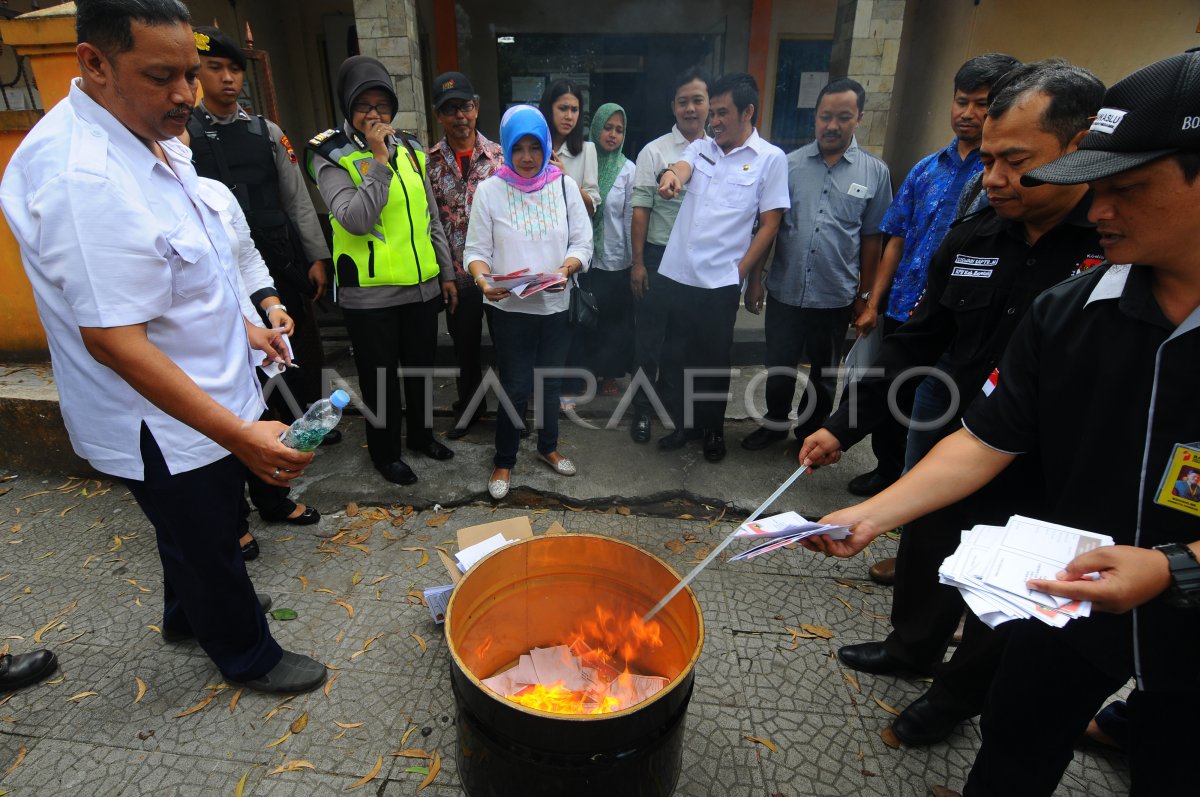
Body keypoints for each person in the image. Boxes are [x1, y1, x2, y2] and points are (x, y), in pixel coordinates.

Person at [804, 51, 1200, 797]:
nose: (1101, 206)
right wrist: (869, 512)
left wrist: (1176, 566)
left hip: (1186, 625)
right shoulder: (1073, 311)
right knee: (1014, 745)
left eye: (1129, 187)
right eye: (1098, 183)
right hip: (1067, 593)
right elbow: (987, 436)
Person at [0, 0, 325, 693]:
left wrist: (248, 329)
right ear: (94, 62)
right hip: (164, 418)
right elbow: (116, 341)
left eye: (190, 73)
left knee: (190, 528)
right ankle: (246, 653)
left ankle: (189, 613)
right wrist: (240, 433)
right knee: (207, 533)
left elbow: (190, 272)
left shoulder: (149, 131)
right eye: (162, 76)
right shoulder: (84, 177)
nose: (187, 93)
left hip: (209, 389)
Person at [800, 60, 1105, 746]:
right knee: (930, 548)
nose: (992, 178)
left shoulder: (1114, 248)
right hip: (956, 436)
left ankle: (954, 698)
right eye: (989, 160)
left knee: (1006, 594)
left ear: (1080, 145)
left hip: (1051, 467)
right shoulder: (973, 237)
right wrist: (841, 427)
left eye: (1015, 162)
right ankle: (911, 647)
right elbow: (915, 345)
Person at [847, 53, 1021, 501]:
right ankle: (888, 472)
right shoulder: (926, 169)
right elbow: (897, 238)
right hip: (908, 308)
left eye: (981, 103)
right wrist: (873, 302)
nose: (967, 113)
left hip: (965, 322)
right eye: (961, 101)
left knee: (939, 411)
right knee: (892, 398)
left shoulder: (1002, 180)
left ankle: (924, 490)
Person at [186, 26, 326, 557]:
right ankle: (236, 517)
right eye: (213, 68)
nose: (226, 78)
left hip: (270, 270)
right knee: (229, 406)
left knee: (283, 380)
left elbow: (290, 200)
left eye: (234, 68)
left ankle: (275, 491)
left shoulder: (265, 132)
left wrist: (308, 261)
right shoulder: (183, 134)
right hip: (208, 293)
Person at [306, 56, 456, 487]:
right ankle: (385, 453)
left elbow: (429, 217)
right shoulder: (330, 153)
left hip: (422, 288)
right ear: (347, 107)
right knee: (381, 380)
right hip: (370, 297)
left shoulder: (409, 147)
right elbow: (353, 218)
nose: (374, 114)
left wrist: (445, 274)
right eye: (363, 104)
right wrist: (376, 159)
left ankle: (422, 437)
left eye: (382, 104)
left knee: (420, 371)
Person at [740, 78, 891, 451]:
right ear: (815, 118)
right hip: (786, 289)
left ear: (858, 118)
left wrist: (866, 295)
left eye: (843, 117)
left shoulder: (875, 173)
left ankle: (810, 433)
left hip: (836, 294)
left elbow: (873, 239)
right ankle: (774, 425)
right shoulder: (787, 166)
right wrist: (756, 280)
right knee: (779, 367)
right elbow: (768, 227)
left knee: (824, 374)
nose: (832, 125)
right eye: (825, 116)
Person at [655, 73, 789, 462]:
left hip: (720, 281)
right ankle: (685, 425)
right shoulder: (702, 148)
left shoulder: (769, 159)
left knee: (712, 360)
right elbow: (680, 168)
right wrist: (670, 178)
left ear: (748, 111)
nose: (713, 121)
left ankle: (713, 429)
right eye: (711, 112)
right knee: (678, 357)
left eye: (722, 113)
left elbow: (771, 224)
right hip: (680, 273)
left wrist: (743, 273)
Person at [463, 105, 592, 500]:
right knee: (515, 384)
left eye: (535, 146)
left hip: (555, 305)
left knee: (550, 383)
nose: (527, 157)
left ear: (546, 146)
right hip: (509, 309)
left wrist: (566, 269)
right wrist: (483, 281)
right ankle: (505, 459)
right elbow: (475, 250)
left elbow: (583, 243)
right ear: (505, 148)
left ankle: (548, 447)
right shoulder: (490, 190)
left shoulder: (564, 186)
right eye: (517, 147)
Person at [627, 66, 711, 443]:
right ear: (673, 107)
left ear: (710, 105)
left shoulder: (718, 152)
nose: (690, 108)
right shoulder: (655, 151)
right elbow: (641, 209)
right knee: (649, 341)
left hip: (700, 262)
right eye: (683, 102)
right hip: (660, 258)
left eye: (698, 100)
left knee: (683, 342)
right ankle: (641, 412)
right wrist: (639, 263)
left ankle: (675, 411)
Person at [427, 71, 503, 439]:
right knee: (465, 349)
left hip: (499, 274)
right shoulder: (428, 163)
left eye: (466, 107)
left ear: (476, 109)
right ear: (439, 116)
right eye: (450, 109)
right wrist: (445, 274)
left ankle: (511, 410)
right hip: (458, 275)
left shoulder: (502, 159)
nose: (460, 116)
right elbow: (432, 224)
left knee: (506, 347)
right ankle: (469, 408)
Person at [587, 103, 636, 396]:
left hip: (617, 261)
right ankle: (586, 373)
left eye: (619, 130)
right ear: (596, 128)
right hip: (586, 260)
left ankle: (609, 376)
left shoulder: (628, 170)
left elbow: (631, 218)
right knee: (586, 320)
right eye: (607, 127)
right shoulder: (584, 163)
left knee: (614, 323)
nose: (613, 135)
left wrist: (635, 263)